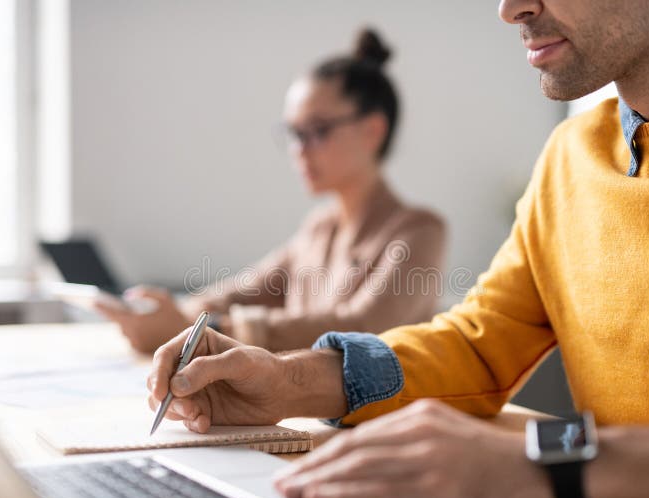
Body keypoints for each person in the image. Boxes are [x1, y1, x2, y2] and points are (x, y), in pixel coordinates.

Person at [146, 0, 649, 498]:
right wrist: (285, 383)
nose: (510, 9)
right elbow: (479, 345)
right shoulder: (570, 157)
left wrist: (536, 463)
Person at [98, 29, 446, 354]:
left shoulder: (419, 231)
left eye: (318, 130)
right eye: (294, 134)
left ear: (373, 130)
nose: (299, 149)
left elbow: (361, 327)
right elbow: (239, 290)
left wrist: (201, 328)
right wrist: (162, 311)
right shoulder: (318, 230)